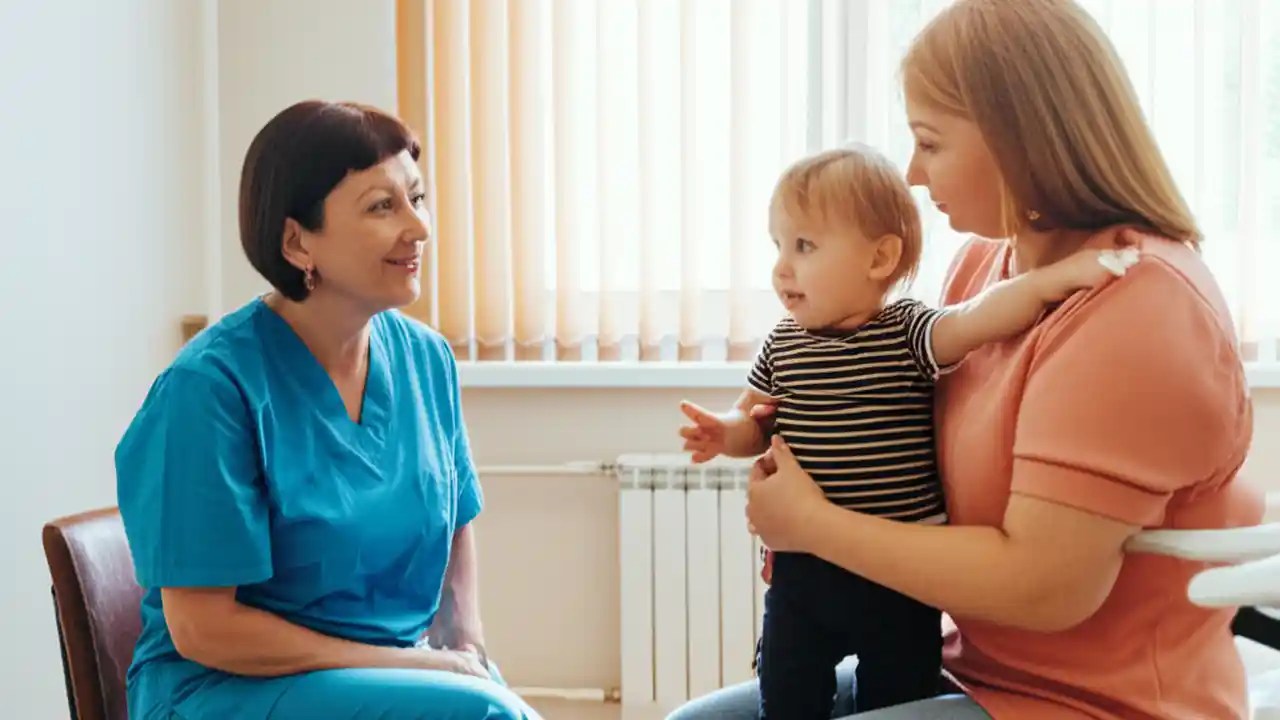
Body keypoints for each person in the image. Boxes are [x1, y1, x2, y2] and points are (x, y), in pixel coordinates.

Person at [669, 0, 1260, 718]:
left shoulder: (1140, 304)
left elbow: (1044, 587)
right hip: (968, 670)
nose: (913, 174)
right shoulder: (982, 267)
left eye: (930, 142)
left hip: (1094, 704)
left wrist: (811, 526)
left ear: (1023, 136)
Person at [115, 100, 541, 720]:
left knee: (489, 702)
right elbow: (205, 629)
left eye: (416, 199)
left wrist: (466, 645)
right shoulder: (210, 389)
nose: (418, 228)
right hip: (222, 689)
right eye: (381, 206)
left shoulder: (426, 360)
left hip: (387, 668)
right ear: (296, 242)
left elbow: (455, 523)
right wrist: (415, 666)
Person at [679, 145, 1133, 719]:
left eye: (805, 246)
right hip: (803, 573)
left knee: (897, 694)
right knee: (788, 690)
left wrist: (1057, 280)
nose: (781, 268)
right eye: (778, 246)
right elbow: (756, 420)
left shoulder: (907, 333)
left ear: (879, 258)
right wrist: (724, 433)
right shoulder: (784, 342)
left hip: (898, 574)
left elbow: (981, 318)